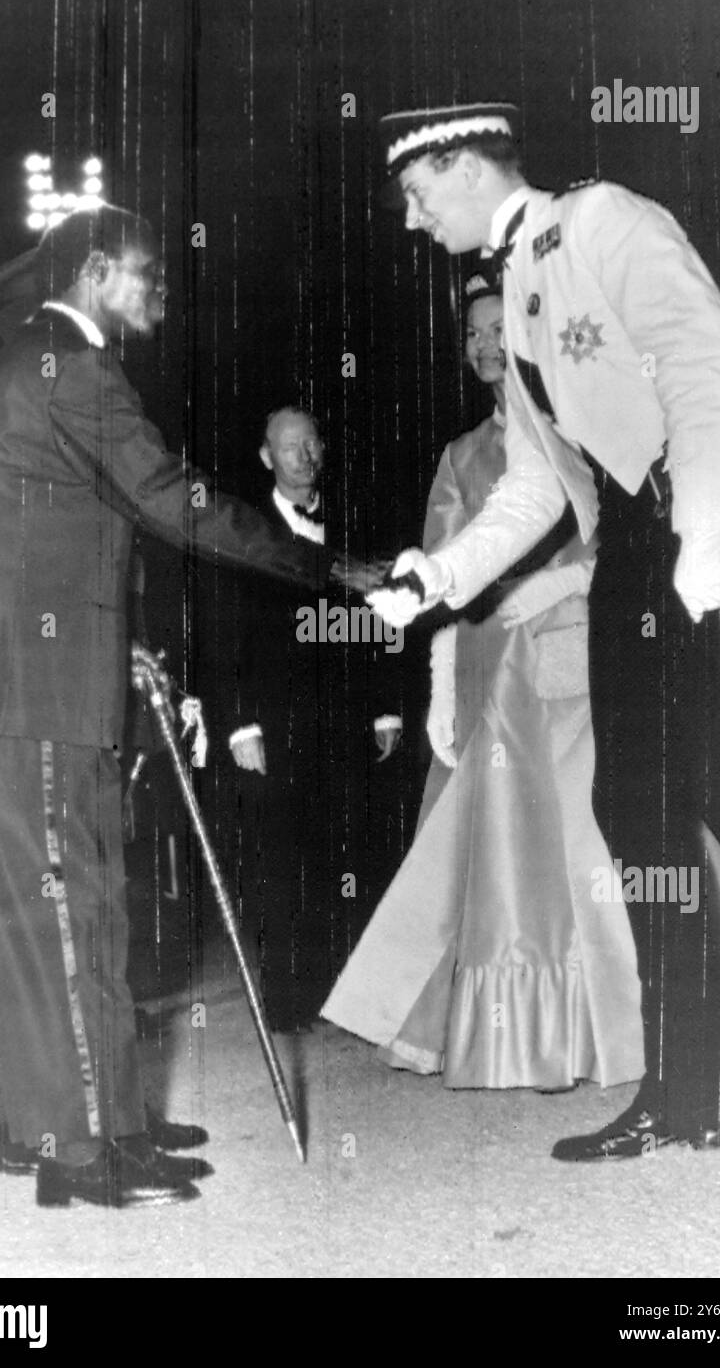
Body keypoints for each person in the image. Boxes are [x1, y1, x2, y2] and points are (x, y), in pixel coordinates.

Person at [0, 206, 372, 1207]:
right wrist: (325, 565)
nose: (161, 287)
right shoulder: (70, 368)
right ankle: (81, 1152)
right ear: (97, 268)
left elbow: (54, 532)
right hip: (24, 687)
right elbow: (171, 500)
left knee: (83, 904)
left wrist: (122, 643)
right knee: (67, 910)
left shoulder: (43, 364)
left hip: (34, 676)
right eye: (148, 271)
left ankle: (87, 1119)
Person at [366, 102, 720, 1159]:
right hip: (628, 552)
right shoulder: (514, 284)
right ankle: (687, 1091)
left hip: (693, 523)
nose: (414, 220)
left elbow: (700, 365)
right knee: (638, 813)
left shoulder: (603, 220)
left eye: (418, 195)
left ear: (463, 166)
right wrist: (442, 574)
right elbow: (532, 483)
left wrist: (706, 532)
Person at [323, 274, 644, 1091]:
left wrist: (558, 586)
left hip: (568, 661)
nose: (484, 344)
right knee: (475, 855)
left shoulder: (577, 420)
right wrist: (440, 683)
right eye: (472, 333)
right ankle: (480, 1031)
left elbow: (621, 542)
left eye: (498, 327)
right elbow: (438, 577)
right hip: (484, 671)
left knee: (572, 842)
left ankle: (587, 1031)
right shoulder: (460, 456)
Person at [219, 405, 403, 1031]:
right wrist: (241, 723)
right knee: (281, 857)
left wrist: (384, 705)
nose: (304, 458)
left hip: (346, 711)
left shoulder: (352, 518)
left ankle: (348, 997)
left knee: (350, 849)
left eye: (311, 445)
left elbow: (379, 617)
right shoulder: (244, 529)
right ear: (267, 456)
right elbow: (224, 628)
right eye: (289, 448)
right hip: (275, 718)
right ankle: (288, 1000)